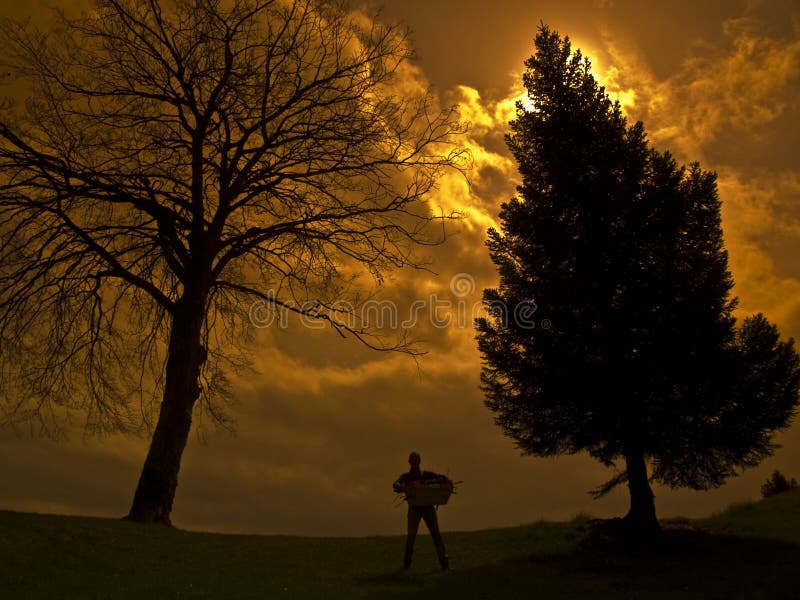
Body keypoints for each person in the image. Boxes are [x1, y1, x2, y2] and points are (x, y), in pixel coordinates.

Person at [392, 451, 450, 571]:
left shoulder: (426, 474)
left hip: (428, 507)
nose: (414, 462)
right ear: (409, 462)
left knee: (436, 534)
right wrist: (403, 487)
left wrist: (428, 483)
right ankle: (406, 564)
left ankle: (444, 564)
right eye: (412, 460)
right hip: (414, 509)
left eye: (416, 460)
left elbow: (443, 478)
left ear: (419, 461)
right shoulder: (406, 477)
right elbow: (395, 484)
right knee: (411, 536)